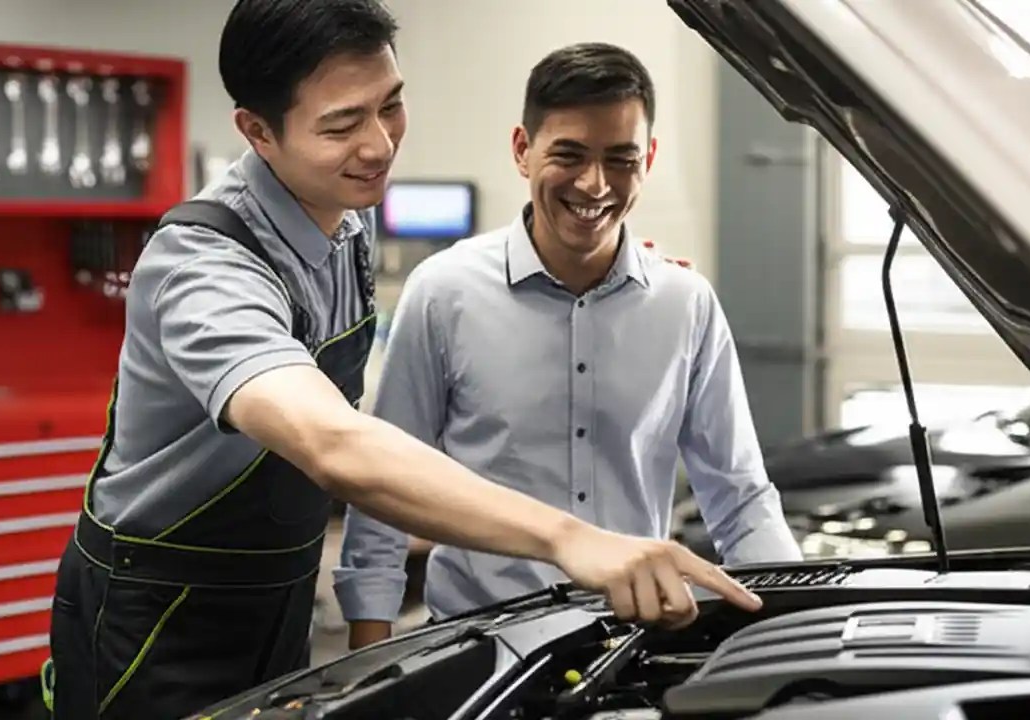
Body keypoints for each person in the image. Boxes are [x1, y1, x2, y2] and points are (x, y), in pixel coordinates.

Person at [42, 4, 764, 719]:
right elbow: (332, 443)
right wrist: (571, 540)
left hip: (278, 596)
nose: (380, 145)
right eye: (342, 123)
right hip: (158, 618)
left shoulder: (344, 219)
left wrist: (630, 287)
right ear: (258, 131)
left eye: (391, 106)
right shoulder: (203, 268)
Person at [335, 41, 803, 650]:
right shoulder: (443, 294)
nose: (595, 183)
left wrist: (794, 627)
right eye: (570, 154)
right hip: (474, 648)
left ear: (649, 158)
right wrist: (370, 663)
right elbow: (384, 493)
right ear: (523, 151)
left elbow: (739, 498)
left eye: (620, 158)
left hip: (627, 649)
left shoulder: (685, 303)